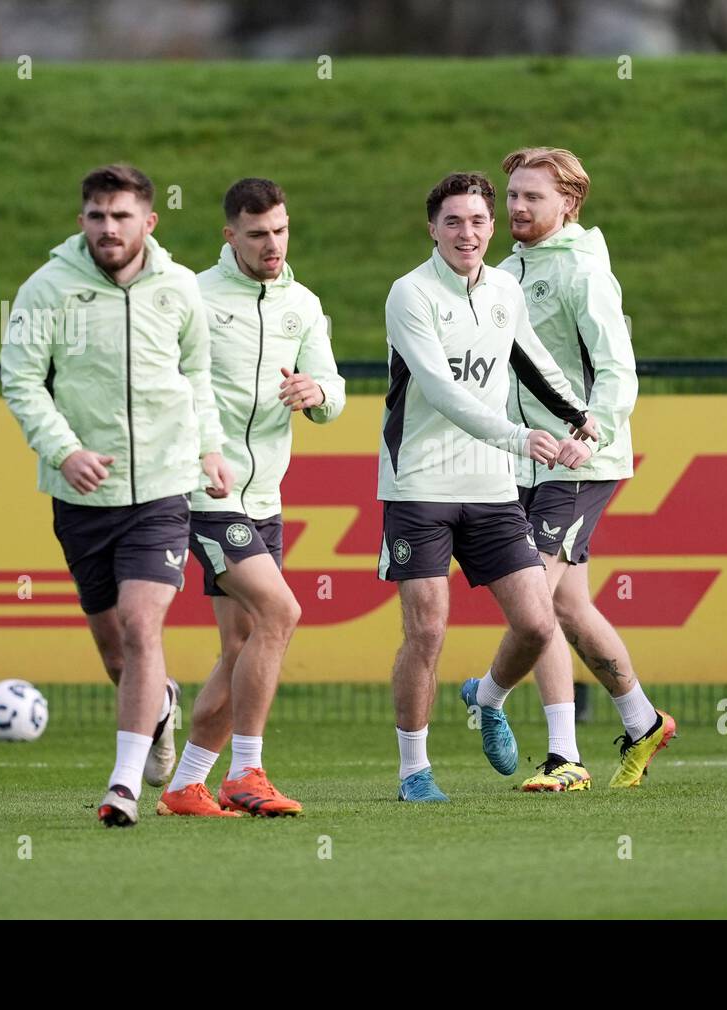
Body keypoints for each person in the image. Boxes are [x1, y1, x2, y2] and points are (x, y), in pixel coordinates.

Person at [1, 164, 233, 826]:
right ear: (82, 221)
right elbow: (21, 381)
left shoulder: (179, 288)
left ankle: (124, 786)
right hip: (82, 499)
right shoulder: (46, 290)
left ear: (148, 222)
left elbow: (198, 374)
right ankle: (158, 709)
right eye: (98, 216)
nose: (109, 228)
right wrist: (64, 450)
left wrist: (209, 449)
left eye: (122, 216)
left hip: (163, 488)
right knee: (116, 650)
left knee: (140, 625)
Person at [379, 171, 597, 801]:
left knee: (535, 624)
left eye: (477, 221)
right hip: (418, 485)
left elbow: (534, 361)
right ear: (432, 227)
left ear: (491, 226)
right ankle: (414, 770)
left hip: (491, 489)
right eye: (453, 221)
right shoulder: (410, 293)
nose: (466, 233)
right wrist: (512, 435)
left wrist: (585, 418)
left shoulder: (504, 288)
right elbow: (441, 390)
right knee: (426, 631)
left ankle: (489, 696)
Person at [157, 178, 345, 818]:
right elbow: (163, 386)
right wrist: (195, 454)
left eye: (282, 230)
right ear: (229, 234)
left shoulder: (303, 303)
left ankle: (185, 786)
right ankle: (246, 771)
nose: (273, 244)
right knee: (284, 613)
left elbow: (333, 388)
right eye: (259, 233)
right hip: (208, 492)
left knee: (241, 649)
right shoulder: (195, 297)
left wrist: (317, 395)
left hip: (266, 498)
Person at [497, 146, 675, 792]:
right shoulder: (506, 269)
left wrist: (586, 431)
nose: (516, 206)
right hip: (532, 458)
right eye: (512, 194)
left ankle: (563, 756)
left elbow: (618, 368)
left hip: (579, 460)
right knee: (567, 606)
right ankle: (642, 720)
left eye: (532, 197)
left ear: (568, 204)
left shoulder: (582, 271)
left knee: (531, 599)